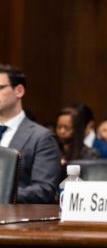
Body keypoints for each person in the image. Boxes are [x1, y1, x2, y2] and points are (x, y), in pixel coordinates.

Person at [0, 64, 61, 203]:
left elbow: (44, 190)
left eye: (0, 88)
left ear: (19, 91)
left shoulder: (41, 137)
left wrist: (4, 194)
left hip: (15, 218)